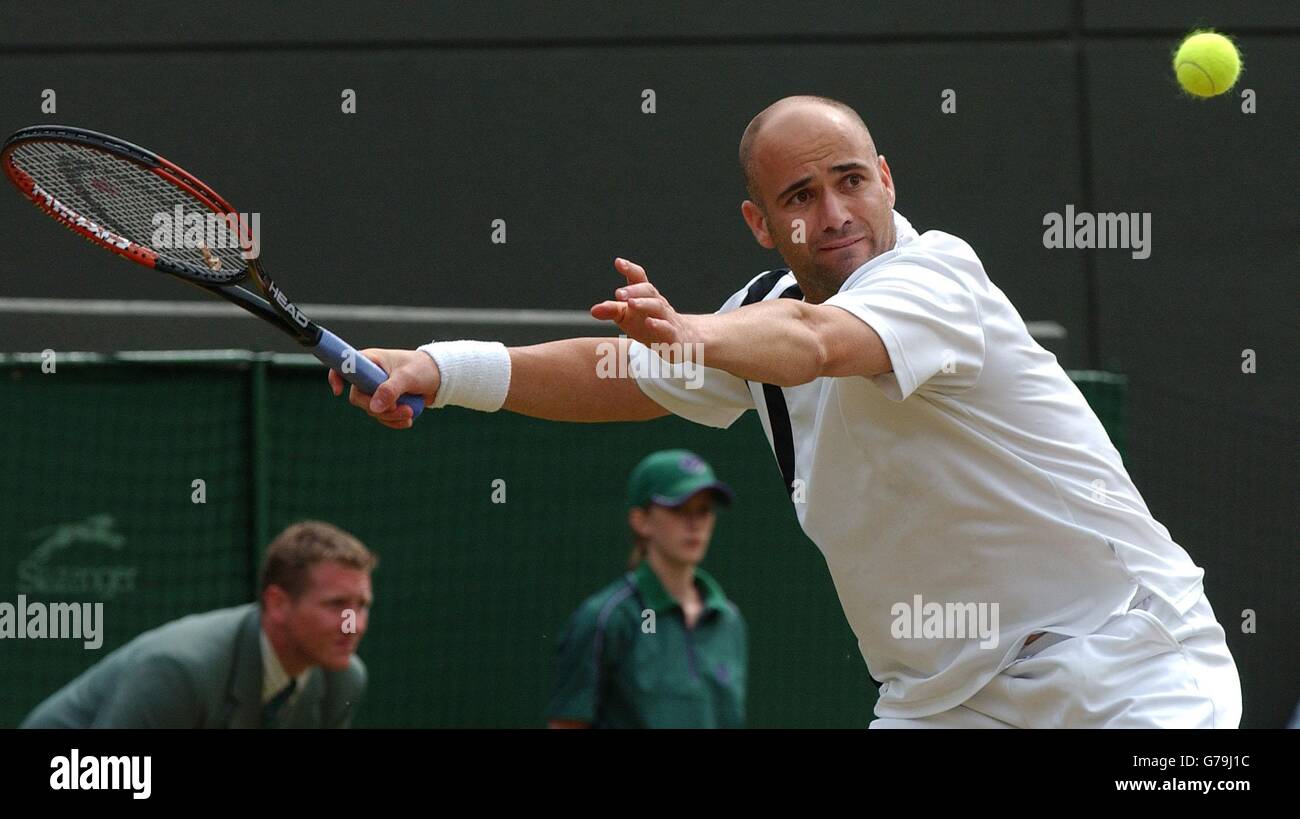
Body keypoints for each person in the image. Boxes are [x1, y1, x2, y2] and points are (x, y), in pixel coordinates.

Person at [328, 95, 1241, 728]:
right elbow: (616, 371)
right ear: (761, 223)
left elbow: (814, 343)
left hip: (1128, 664)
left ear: (887, 178)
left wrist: (691, 330)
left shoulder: (936, 276)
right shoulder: (755, 317)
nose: (835, 212)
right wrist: (441, 368)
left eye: (851, 180)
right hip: (942, 700)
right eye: (800, 196)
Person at [21, 521, 374, 728]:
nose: (353, 625)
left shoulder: (342, 679)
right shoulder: (179, 670)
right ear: (278, 604)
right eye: (337, 605)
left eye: (362, 606)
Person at [547, 449, 747, 729]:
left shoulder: (728, 621)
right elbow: (568, 724)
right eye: (679, 508)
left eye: (704, 510)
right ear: (640, 520)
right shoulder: (605, 618)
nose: (695, 524)